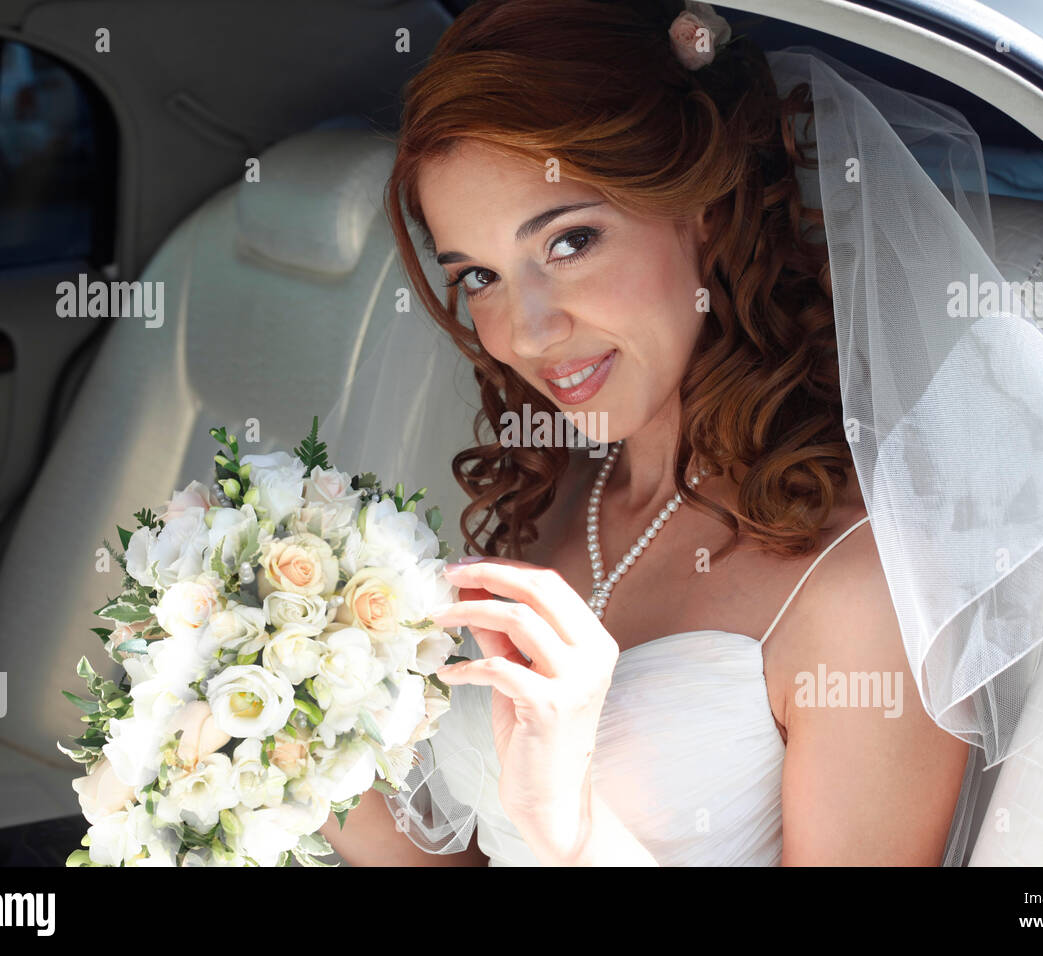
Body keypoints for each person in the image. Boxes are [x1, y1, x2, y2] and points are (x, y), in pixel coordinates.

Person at [318, 0, 973, 866]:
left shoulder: (860, 593)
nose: (527, 331)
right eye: (479, 276)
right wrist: (303, 751)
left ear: (703, 209)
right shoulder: (550, 504)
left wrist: (576, 827)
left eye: (570, 241)